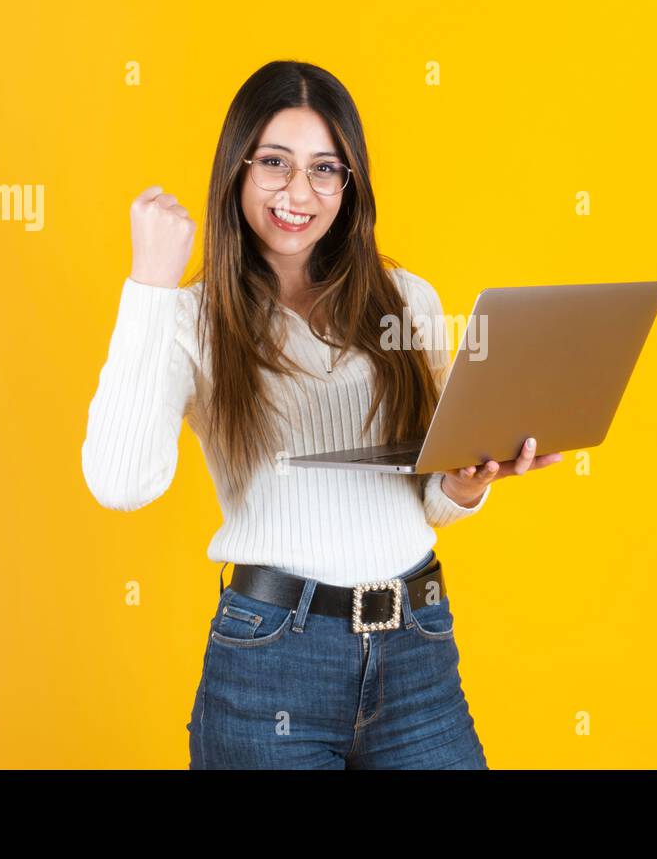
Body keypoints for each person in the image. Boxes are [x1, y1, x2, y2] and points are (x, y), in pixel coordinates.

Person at [81, 59, 562, 769]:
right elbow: (120, 484)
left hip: (417, 648)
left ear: (350, 183)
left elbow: (429, 492)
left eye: (325, 169)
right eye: (275, 163)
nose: (298, 192)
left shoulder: (407, 301)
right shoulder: (190, 319)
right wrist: (149, 284)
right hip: (272, 657)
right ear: (237, 170)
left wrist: (466, 482)